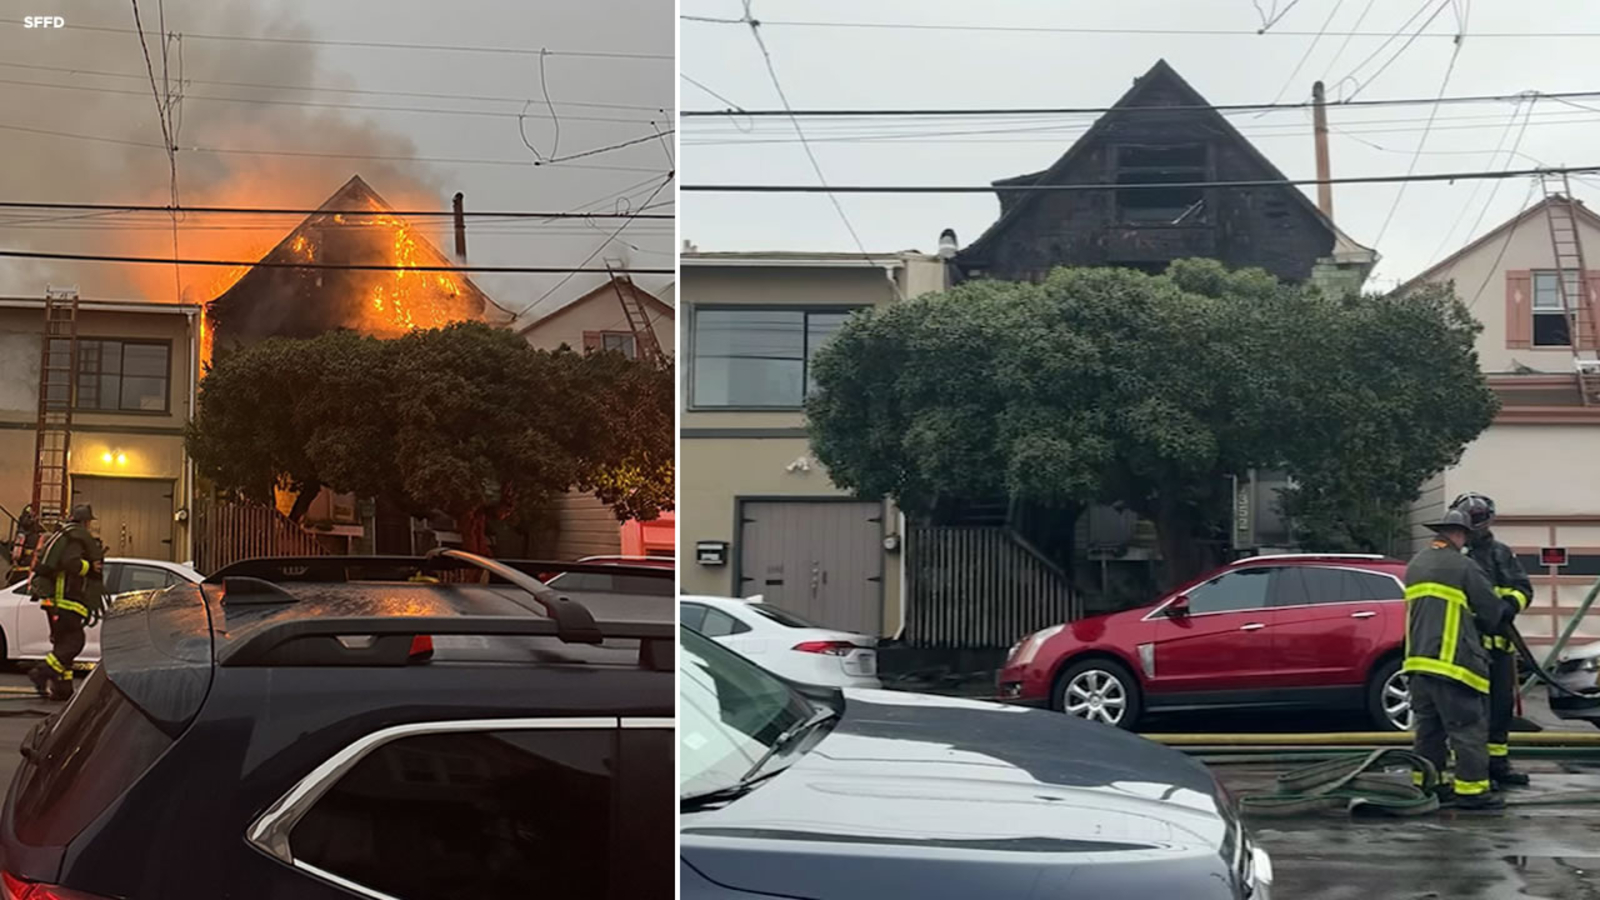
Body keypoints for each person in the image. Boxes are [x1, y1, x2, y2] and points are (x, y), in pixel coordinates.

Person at [1405, 507, 1509, 810]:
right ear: (1460, 534)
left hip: (1418, 664)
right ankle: (1472, 791)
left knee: (1429, 731)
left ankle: (1428, 784)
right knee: (1467, 728)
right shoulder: (1463, 565)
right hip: (1452, 665)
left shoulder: (1416, 564)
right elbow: (1491, 612)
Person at [1451, 492, 1534, 789]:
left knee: (1500, 712)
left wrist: (1510, 606)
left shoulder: (1501, 553)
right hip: (1467, 649)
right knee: (1472, 713)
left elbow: (1523, 587)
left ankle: (1498, 765)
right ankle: (1475, 769)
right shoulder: (1456, 557)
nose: (1475, 526)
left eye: (1479, 519)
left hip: (1499, 650)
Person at [26, 504, 105, 701]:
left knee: (63, 644)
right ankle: (41, 673)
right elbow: (71, 563)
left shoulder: (66, 535)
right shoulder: (75, 539)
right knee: (74, 642)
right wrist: (91, 567)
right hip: (65, 600)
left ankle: (63, 689)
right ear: (85, 522)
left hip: (57, 601)